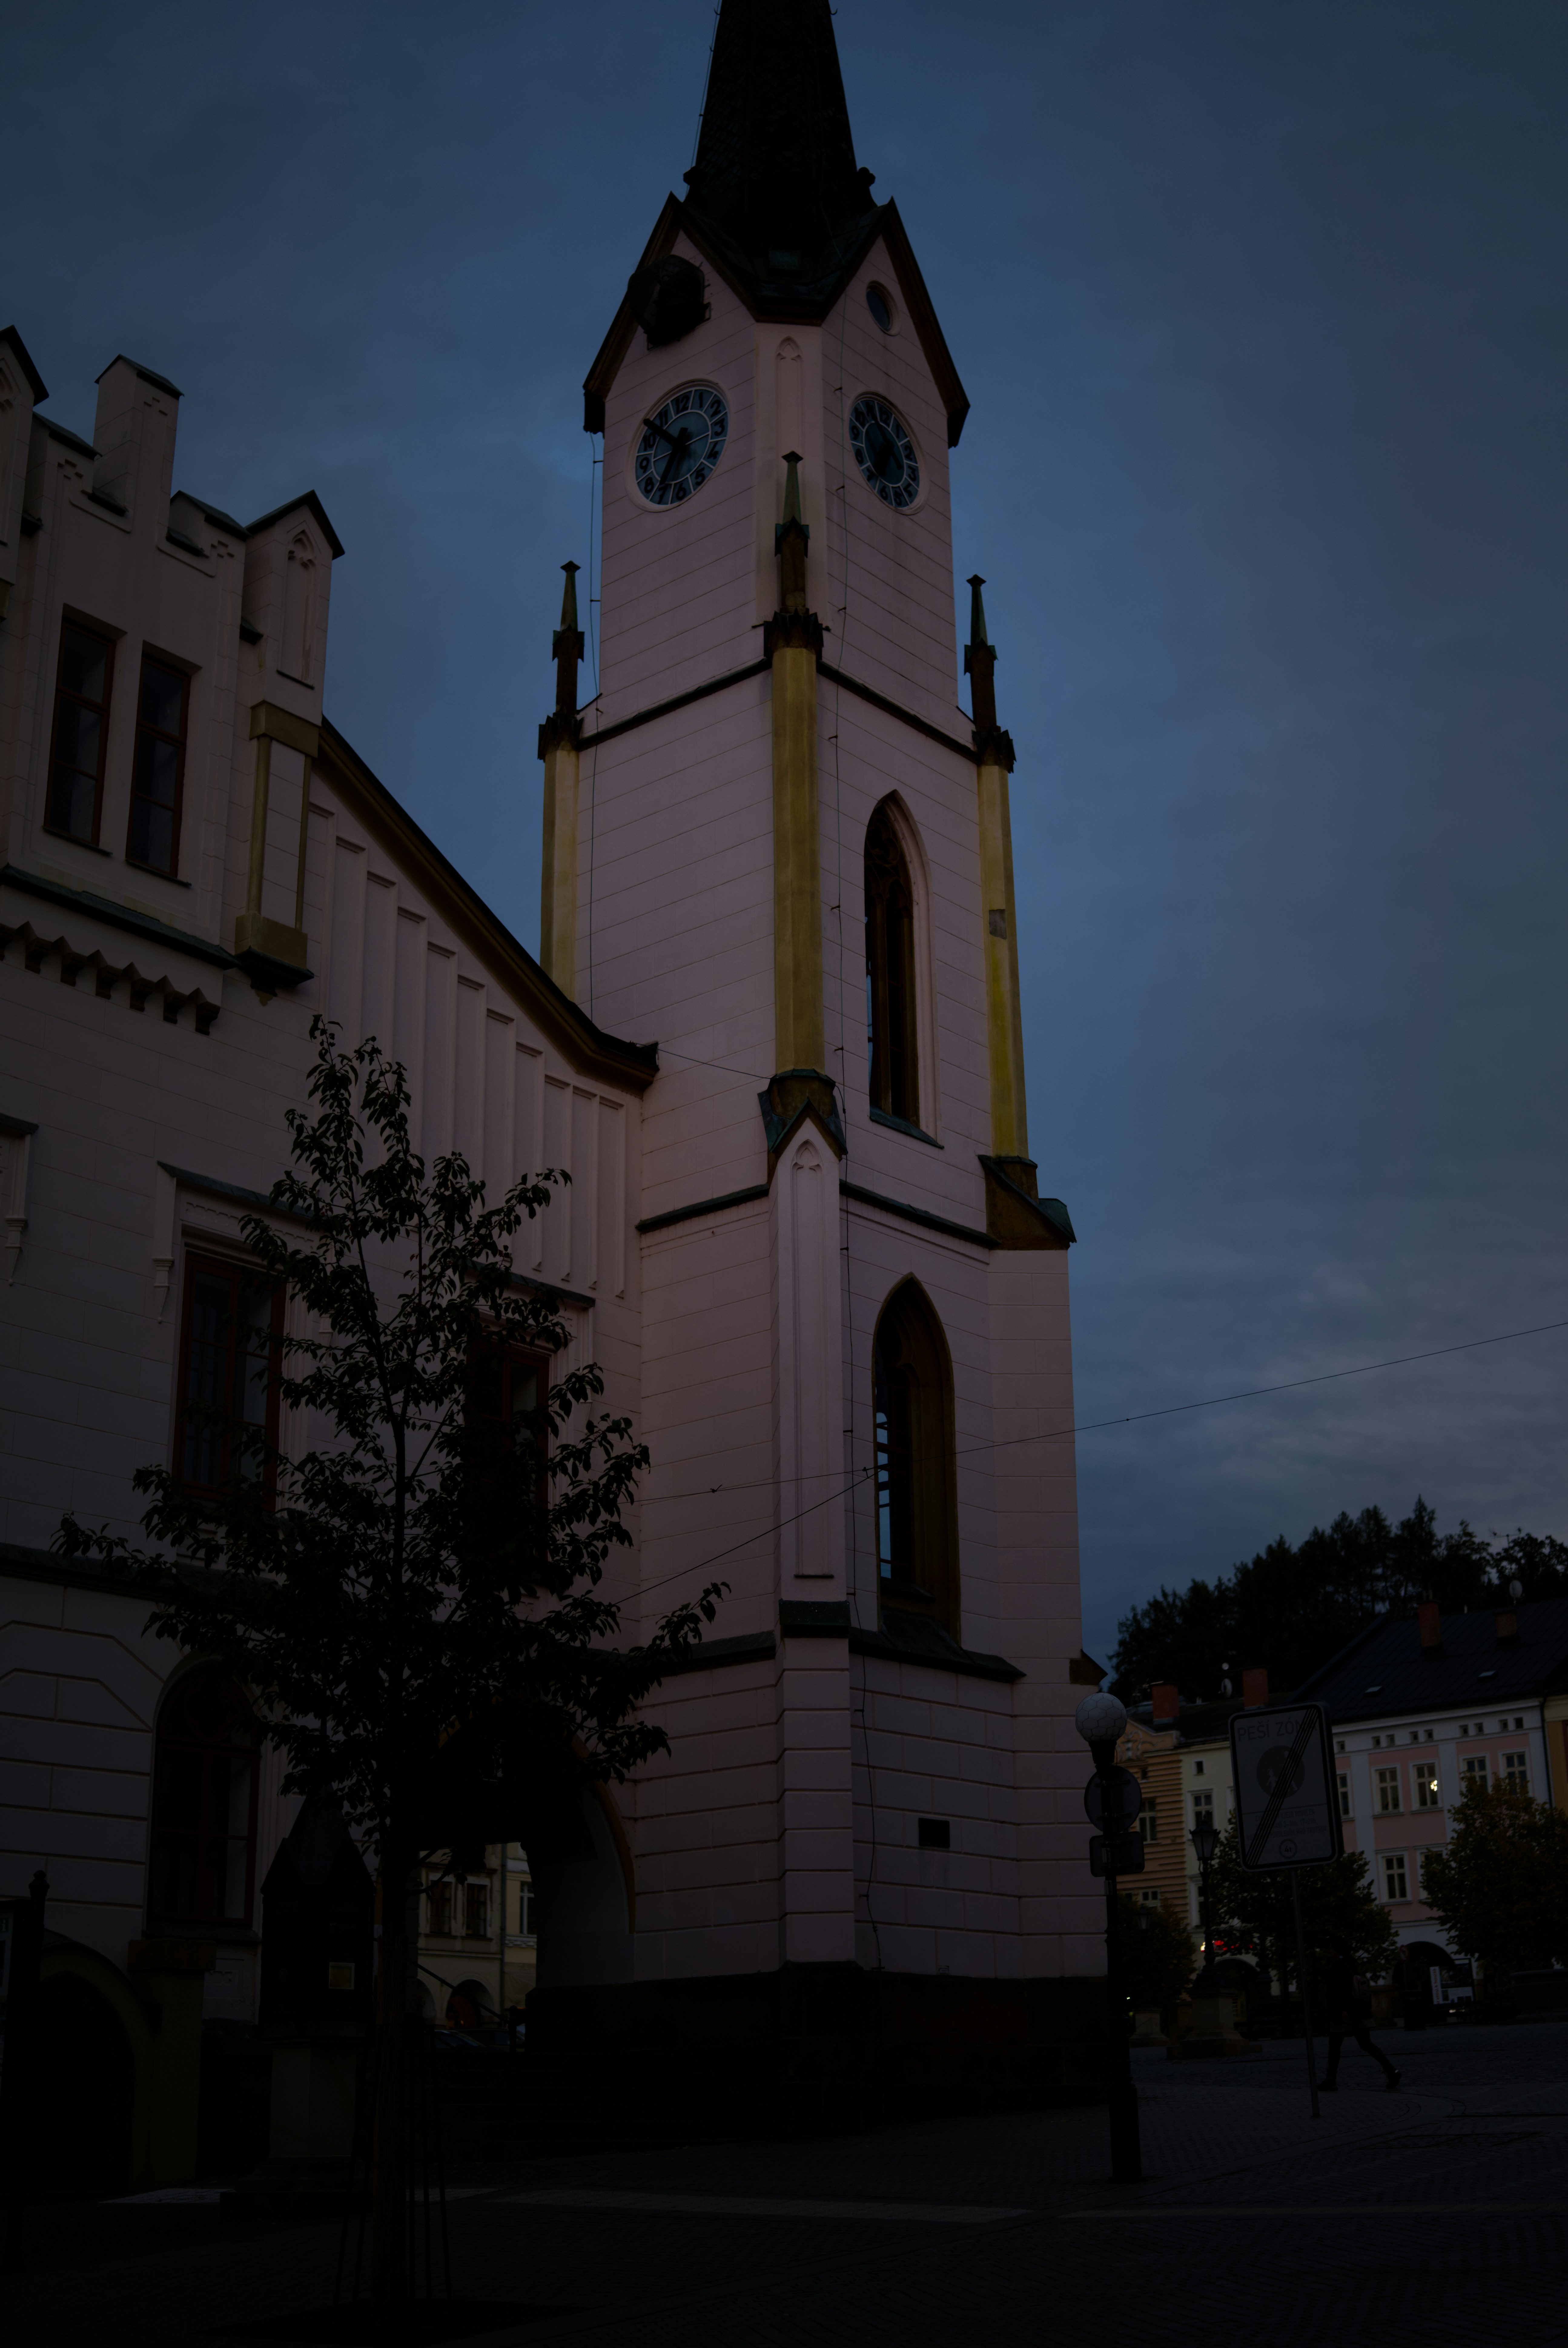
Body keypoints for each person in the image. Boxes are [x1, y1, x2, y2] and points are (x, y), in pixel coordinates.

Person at [1318, 1935, 1401, 2092]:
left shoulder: (1338, 1967)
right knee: (1367, 2044)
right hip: (1360, 2012)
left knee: (1335, 2047)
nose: (1330, 1951)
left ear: (1336, 1951)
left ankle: (1331, 2080)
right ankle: (1392, 2071)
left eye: (1331, 1949)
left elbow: (1338, 1992)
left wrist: (1341, 2011)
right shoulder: (1354, 1964)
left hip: (1344, 2015)